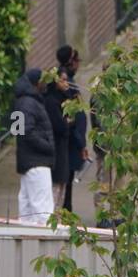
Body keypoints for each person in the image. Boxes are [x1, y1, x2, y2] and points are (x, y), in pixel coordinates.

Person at [12, 68, 55, 225]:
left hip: (27, 162)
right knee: (42, 210)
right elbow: (26, 133)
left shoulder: (21, 102)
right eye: (44, 81)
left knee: (27, 209)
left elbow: (18, 131)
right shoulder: (30, 103)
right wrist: (48, 146)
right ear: (37, 83)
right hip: (37, 162)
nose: (46, 84)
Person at [56, 45, 91, 212]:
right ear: (71, 62)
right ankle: (65, 210)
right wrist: (80, 142)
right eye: (77, 61)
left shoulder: (67, 82)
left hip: (72, 140)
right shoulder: (67, 85)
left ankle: (66, 208)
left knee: (67, 180)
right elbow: (73, 117)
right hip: (70, 142)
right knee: (66, 180)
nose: (78, 65)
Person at [43, 68, 72, 210]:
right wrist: (67, 122)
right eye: (63, 80)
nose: (66, 83)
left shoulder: (63, 99)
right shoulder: (51, 102)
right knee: (55, 189)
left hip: (62, 149)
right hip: (56, 150)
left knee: (62, 187)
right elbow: (61, 126)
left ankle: (58, 219)